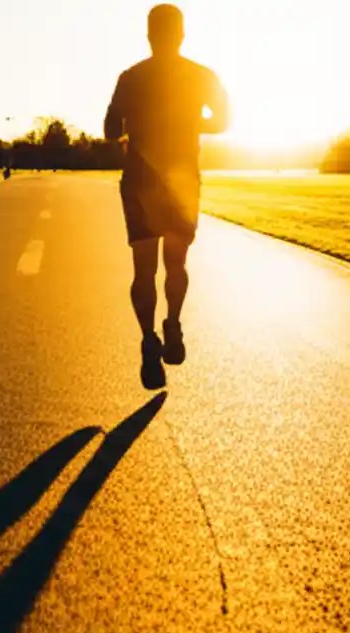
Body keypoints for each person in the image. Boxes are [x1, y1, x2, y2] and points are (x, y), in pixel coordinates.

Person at [104, 3, 228, 389]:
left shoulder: (130, 77)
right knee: (176, 263)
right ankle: (172, 324)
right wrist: (192, 121)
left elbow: (109, 129)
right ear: (182, 34)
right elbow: (224, 121)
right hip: (182, 182)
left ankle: (148, 341)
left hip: (141, 180)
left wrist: (131, 130)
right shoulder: (201, 75)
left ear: (148, 35)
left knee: (143, 270)